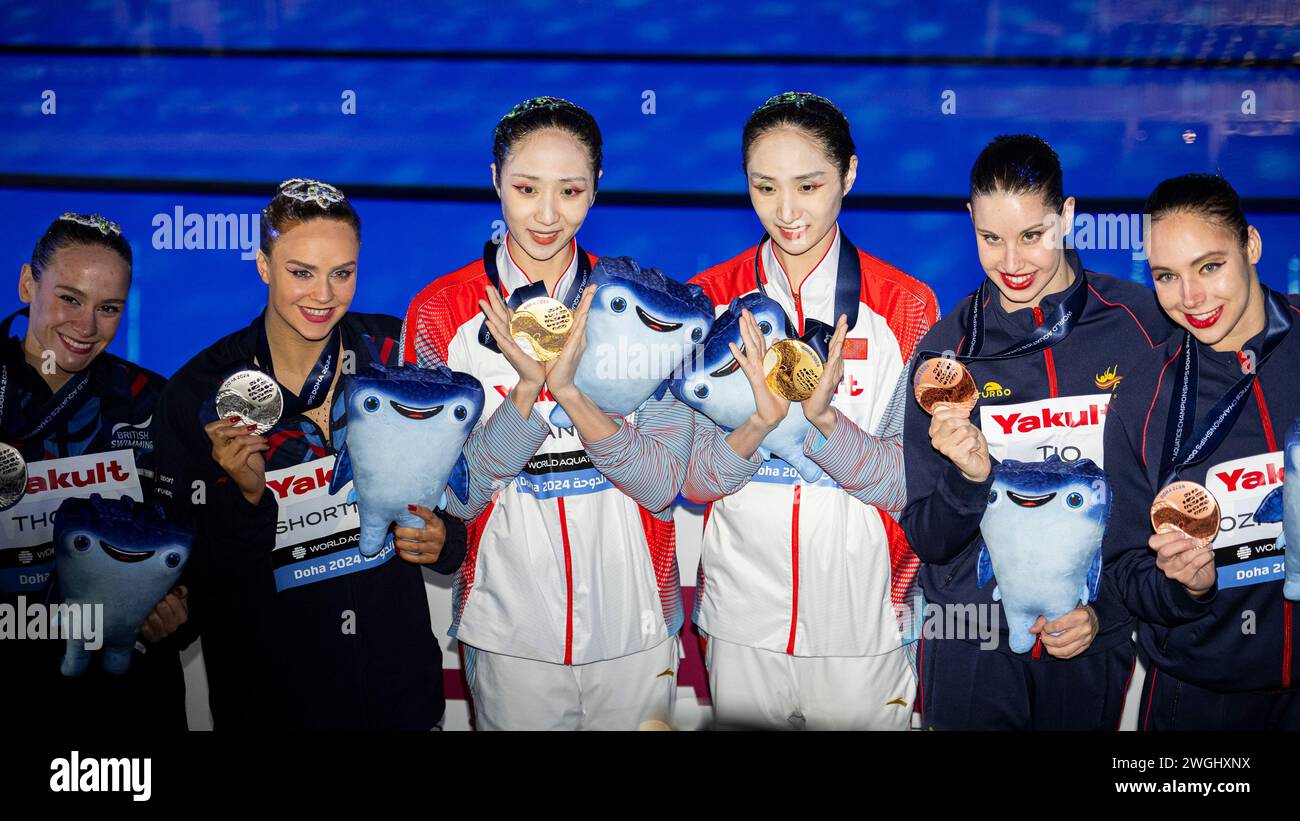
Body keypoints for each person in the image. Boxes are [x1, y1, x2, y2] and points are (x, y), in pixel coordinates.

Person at [402, 97, 693, 730]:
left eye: (570, 191)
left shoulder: (650, 309)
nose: (546, 214)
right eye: (526, 188)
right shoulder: (440, 313)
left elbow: (663, 484)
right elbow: (449, 495)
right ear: (495, 180)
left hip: (635, 624)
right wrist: (528, 397)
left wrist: (572, 394)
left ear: (595, 192)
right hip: (507, 630)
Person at [150, 178, 468, 730]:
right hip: (270, 701)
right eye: (302, 272)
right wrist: (249, 500)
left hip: (399, 694)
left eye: (342, 273)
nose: (324, 295)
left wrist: (444, 539)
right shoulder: (197, 392)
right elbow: (193, 592)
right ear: (263, 265)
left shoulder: (395, 355)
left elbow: (457, 492)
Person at [681, 92, 939, 730]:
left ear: (849, 175)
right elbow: (689, 482)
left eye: (809, 185)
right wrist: (755, 429)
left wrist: (825, 429)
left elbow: (914, 483)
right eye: (764, 187)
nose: (787, 211)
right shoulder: (708, 299)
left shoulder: (907, 306)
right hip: (742, 620)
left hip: (867, 623)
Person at [900, 135, 1175, 730]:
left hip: (1089, 636)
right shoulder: (947, 356)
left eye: (1033, 235)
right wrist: (968, 482)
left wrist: (1107, 612)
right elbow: (928, 537)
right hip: (971, 643)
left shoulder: (1142, 327)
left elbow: (1159, 494)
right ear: (970, 221)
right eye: (990, 239)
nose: (1012, 263)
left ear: (1068, 216)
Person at [1104, 173, 1300, 730]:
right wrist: (1183, 588)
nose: (1191, 299)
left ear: (1252, 247)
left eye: (1209, 267)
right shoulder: (1144, 394)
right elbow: (1123, 567)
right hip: (1199, 701)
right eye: (1168, 276)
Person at [0, 212, 187, 731]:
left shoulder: (153, 400)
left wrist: (178, 610)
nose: (86, 328)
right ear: (25, 283)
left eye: (108, 308)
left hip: (126, 701)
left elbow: (196, 536)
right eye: (70, 298)